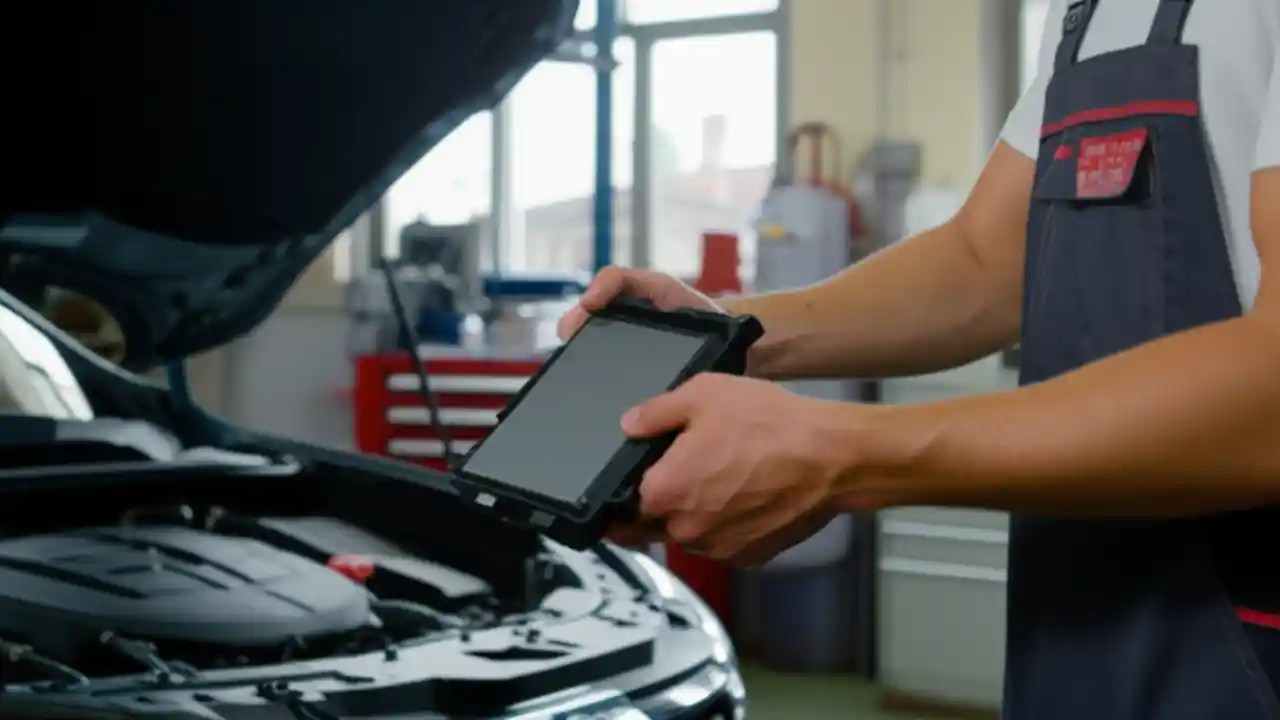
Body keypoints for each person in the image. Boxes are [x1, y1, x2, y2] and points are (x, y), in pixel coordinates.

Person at [557, 0, 1280, 717]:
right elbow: (987, 260)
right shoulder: (1085, 13)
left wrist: (846, 453)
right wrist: (722, 335)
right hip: (1083, 631)